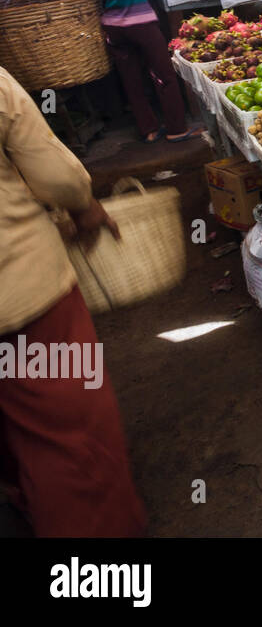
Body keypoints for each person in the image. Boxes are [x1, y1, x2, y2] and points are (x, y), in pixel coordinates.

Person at [0, 65, 148, 537]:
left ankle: (23, 499)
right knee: (67, 438)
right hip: (21, 291)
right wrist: (84, 208)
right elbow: (54, 174)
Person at [65, 0, 201, 143]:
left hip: (113, 29)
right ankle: (176, 128)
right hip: (143, 25)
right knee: (164, 76)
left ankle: (148, 130)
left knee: (131, 80)